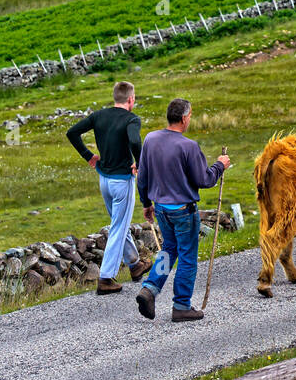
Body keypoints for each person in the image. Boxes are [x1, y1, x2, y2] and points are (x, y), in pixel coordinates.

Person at [135, 98, 230, 322]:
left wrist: (146, 204)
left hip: (161, 207)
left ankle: (149, 289)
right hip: (183, 210)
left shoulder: (150, 139)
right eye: (190, 116)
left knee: (169, 250)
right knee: (187, 256)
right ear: (184, 118)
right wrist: (220, 165)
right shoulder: (188, 146)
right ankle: (181, 306)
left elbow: (143, 176)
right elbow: (204, 179)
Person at [66, 81, 149, 295]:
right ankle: (105, 278)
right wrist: (140, 163)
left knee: (118, 223)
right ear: (131, 99)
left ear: (115, 97)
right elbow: (134, 140)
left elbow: (72, 133)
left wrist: (88, 156)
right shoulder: (132, 119)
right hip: (122, 180)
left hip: (104, 179)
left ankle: (135, 264)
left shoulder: (99, 116)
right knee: (119, 227)